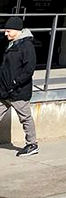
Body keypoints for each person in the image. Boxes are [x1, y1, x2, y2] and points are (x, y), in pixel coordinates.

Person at [0, 17, 38, 157]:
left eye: (8, 31)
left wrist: (15, 83)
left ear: (17, 31)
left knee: (25, 118)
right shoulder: (11, 43)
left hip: (18, 92)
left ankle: (32, 144)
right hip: (4, 90)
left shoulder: (26, 46)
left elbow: (29, 69)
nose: (6, 34)